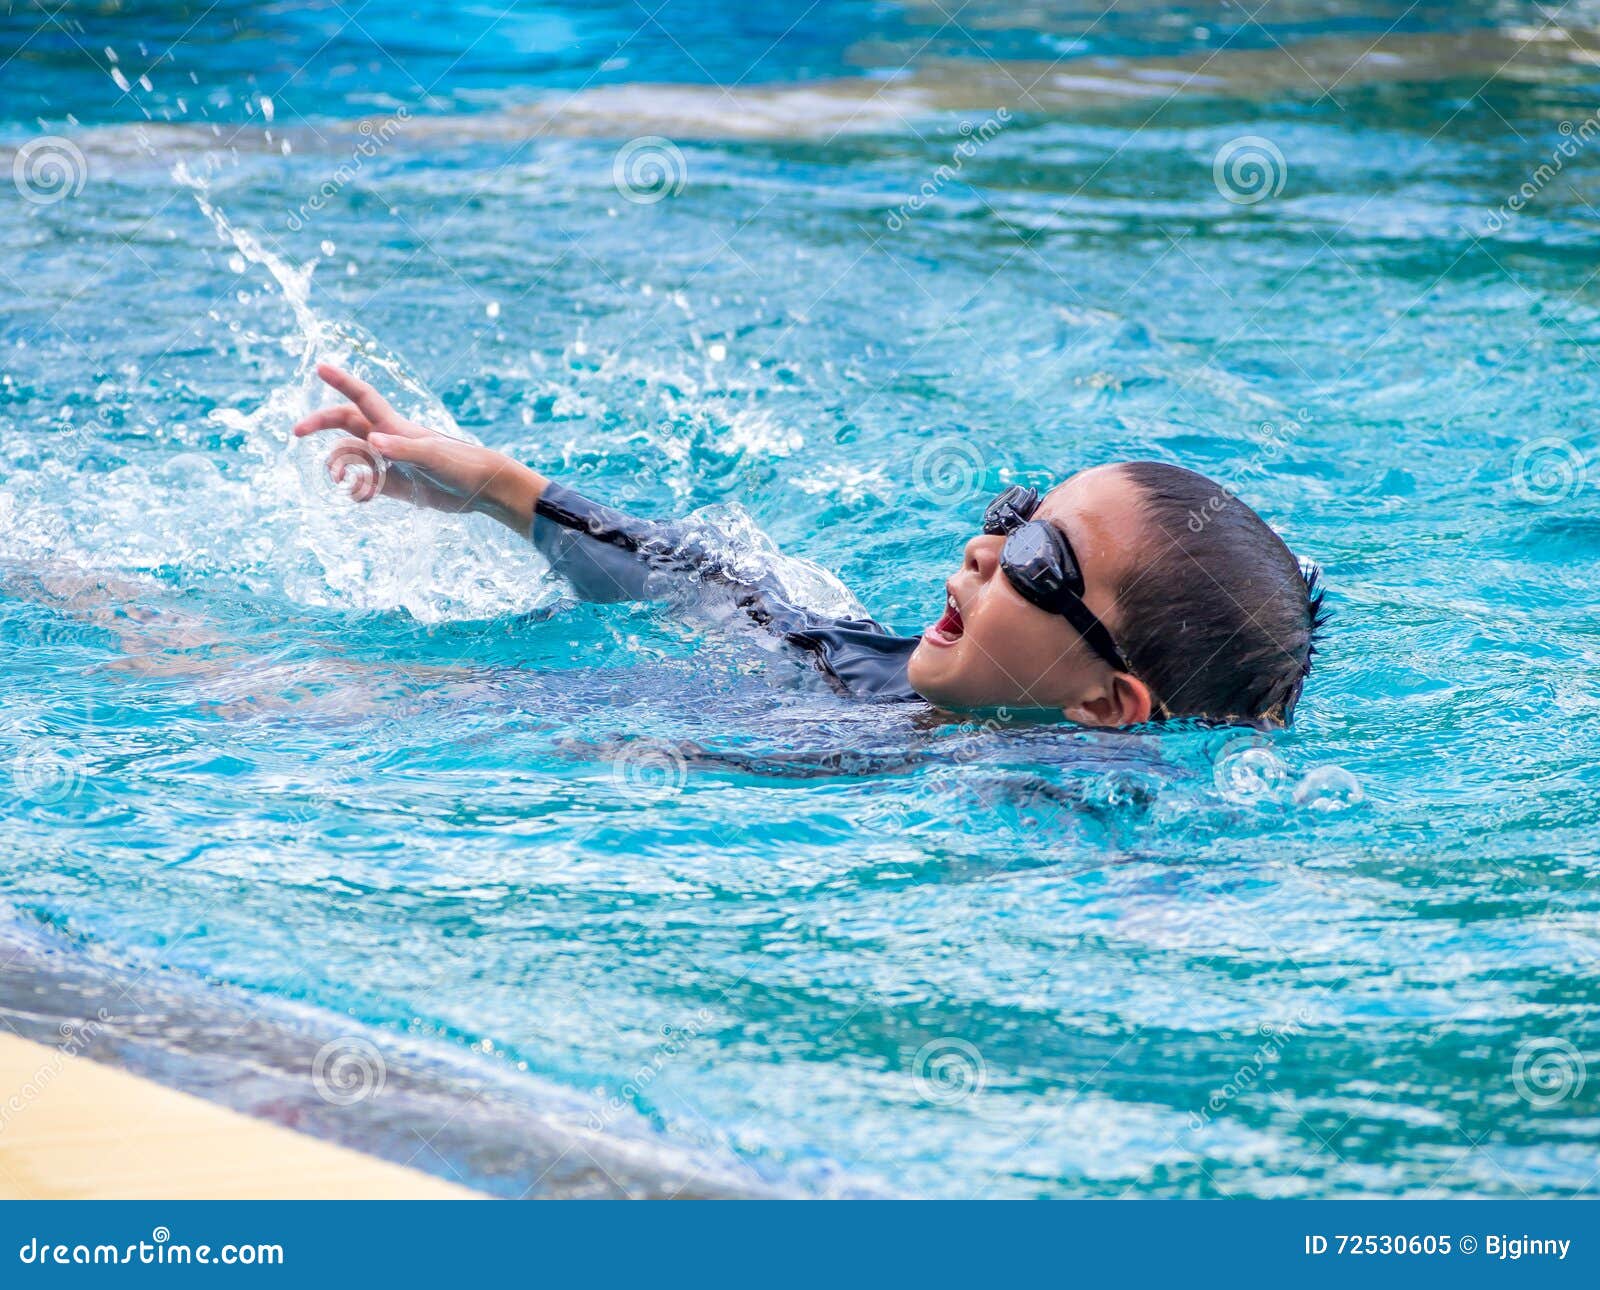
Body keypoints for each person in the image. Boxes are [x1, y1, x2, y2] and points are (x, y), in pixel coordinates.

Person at [295, 364, 1326, 728]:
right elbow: (717, 588)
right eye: (1013, 511)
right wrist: (498, 489)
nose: (981, 546)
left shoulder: (1024, 805)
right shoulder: (885, 682)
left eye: (1036, 561)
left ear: (1105, 705)